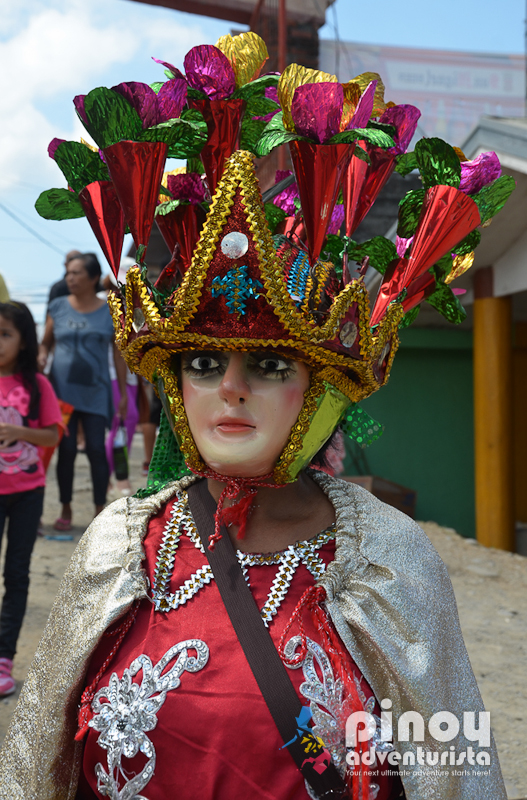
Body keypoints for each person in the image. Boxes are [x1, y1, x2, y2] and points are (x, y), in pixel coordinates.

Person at [0, 149, 507, 799]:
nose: (230, 389)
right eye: (205, 363)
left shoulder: (389, 558)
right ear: (177, 386)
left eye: (267, 366)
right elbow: (35, 757)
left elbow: (457, 766)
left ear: (317, 389)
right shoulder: (117, 545)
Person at [39, 253, 127, 529]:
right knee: (65, 450)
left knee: (95, 450)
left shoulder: (109, 310)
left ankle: (99, 509)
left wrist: (122, 394)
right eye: (68, 273)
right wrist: (41, 356)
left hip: (96, 392)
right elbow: (45, 344)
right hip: (60, 395)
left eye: (76, 273)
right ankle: (65, 509)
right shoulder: (57, 306)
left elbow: (118, 355)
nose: (70, 278)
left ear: (92, 278)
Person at [0, 301, 62, 697]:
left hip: (26, 493)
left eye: (5, 334)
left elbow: (52, 435)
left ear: (24, 341)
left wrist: (16, 431)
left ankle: (4, 659)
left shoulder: (37, 385)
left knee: (16, 574)